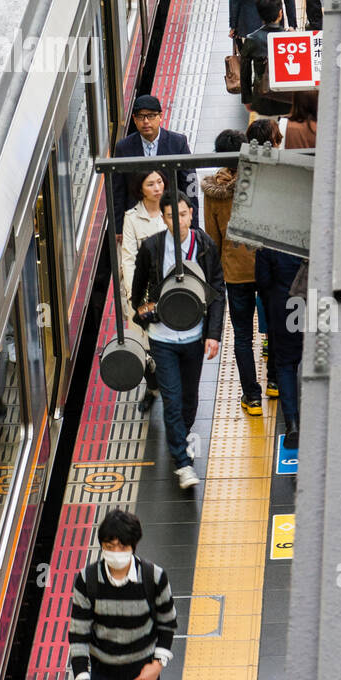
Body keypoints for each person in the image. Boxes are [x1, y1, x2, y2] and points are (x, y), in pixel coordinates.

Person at [131, 191, 224, 488]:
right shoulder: (152, 247)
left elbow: (217, 290)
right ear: (164, 217)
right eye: (171, 216)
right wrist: (143, 309)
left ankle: (180, 438)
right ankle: (182, 462)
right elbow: (139, 286)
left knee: (189, 399)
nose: (178, 221)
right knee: (172, 399)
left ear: (191, 214)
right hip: (163, 337)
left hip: (195, 336)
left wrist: (213, 334)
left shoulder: (205, 246)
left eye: (183, 214)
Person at [69, 509, 177, 680]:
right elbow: (78, 634)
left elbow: (168, 623)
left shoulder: (153, 576)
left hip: (143, 671)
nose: (116, 553)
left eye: (122, 547)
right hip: (104, 676)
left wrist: (156, 666)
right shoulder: (87, 580)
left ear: (133, 546)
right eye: (110, 547)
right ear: (102, 546)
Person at [203, 129, 267, 414]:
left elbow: (212, 237)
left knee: (242, 335)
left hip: (234, 272)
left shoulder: (214, 193)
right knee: (275, 325)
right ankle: (276, 380)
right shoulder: (262, 180)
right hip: (267, 266)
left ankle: (252, 397)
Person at [112, 95, 197, 235]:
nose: (146, 121)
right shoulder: (124, 147)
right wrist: (118, 228)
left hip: (170, 217)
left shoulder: (178, 143)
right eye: (140, 117)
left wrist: (193, 226)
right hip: (138, 221)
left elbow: (190, 185)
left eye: (151, 116)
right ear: (134, 119)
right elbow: (118, 191)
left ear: (160, 116)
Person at [121, 169, 166, 415]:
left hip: (168, 292)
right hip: (142, 294)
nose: (157, 188)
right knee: (145, 346)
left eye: (160, 182)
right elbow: (128, 259)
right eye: (151, 184)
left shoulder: (171, 212)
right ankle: (152, 389)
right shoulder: (132, 218)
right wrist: (134, 296)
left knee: (167, 343)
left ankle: (171, 389)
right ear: (141, 189)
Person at [257, 250, 306, 449]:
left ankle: (292, 424)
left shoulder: (270, 237)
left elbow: (262, 281)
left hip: (284, 304)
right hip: (315, 303)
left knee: (286, 364)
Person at [239, 0, 289, 118]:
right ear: (280, 13)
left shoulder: (252, 39)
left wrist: (247, 99)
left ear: (260, 15)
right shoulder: (290, 39)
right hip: (287, 100)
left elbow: (245, 72)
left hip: (262, 101)